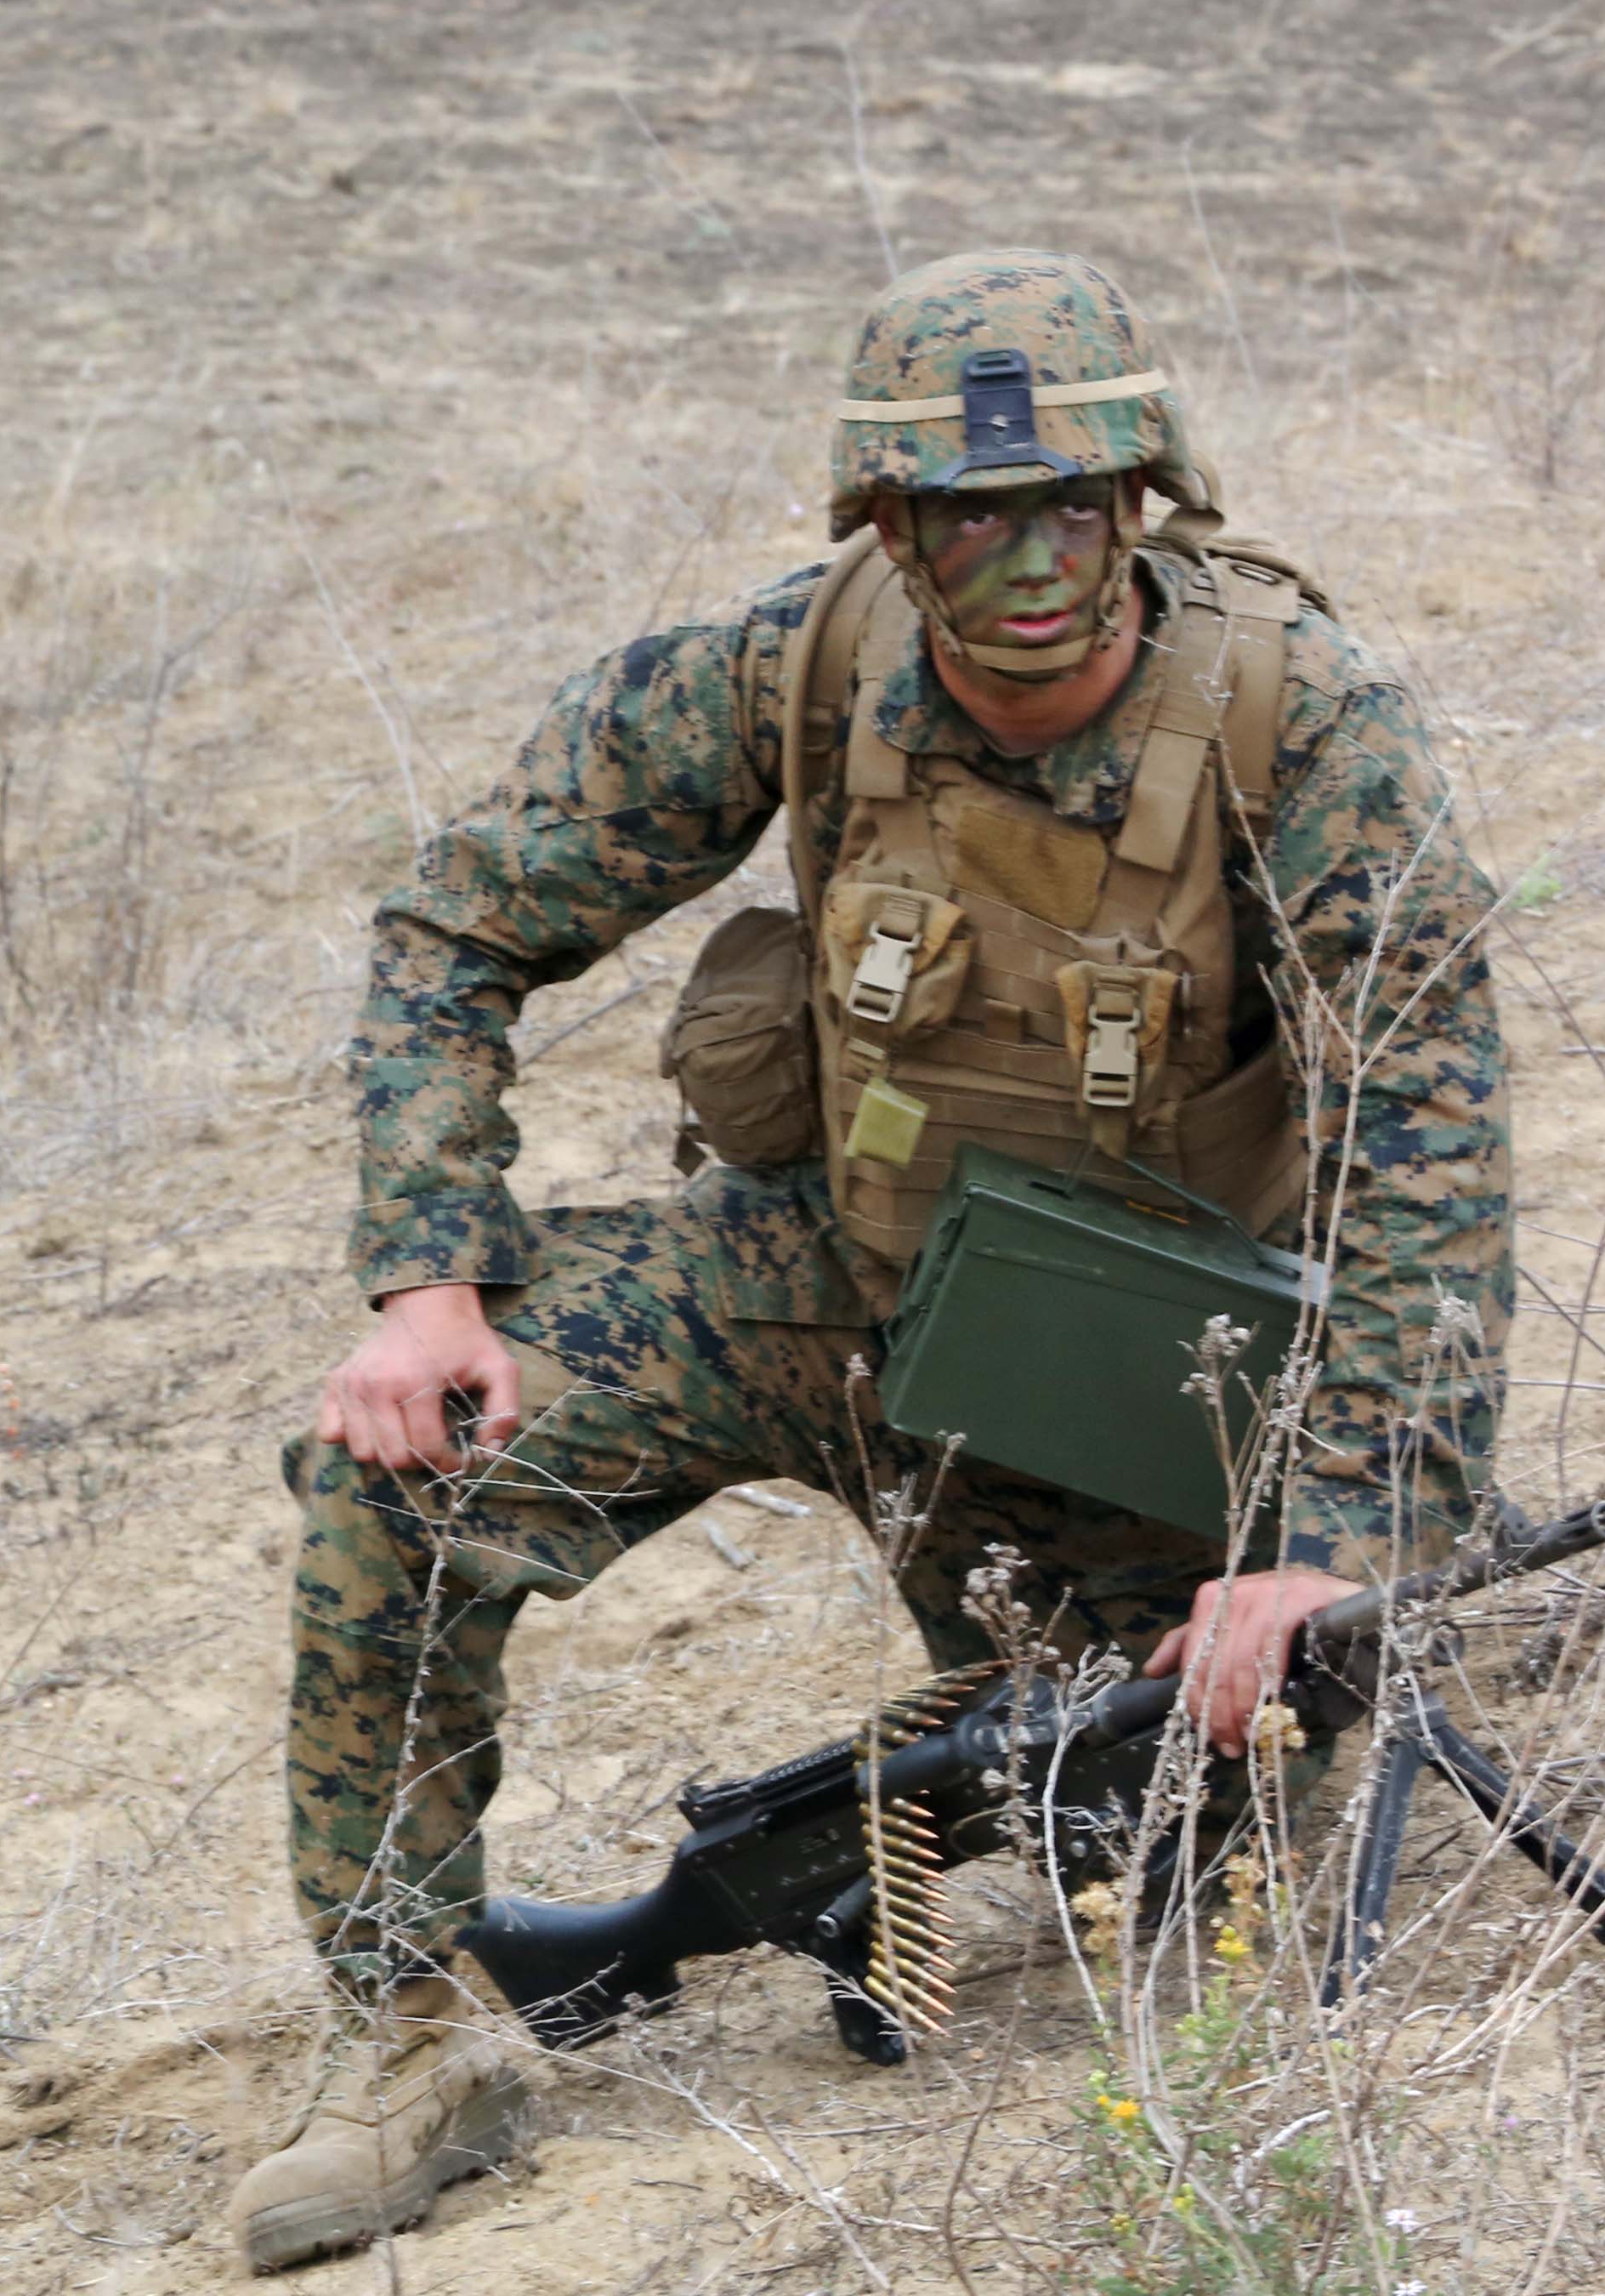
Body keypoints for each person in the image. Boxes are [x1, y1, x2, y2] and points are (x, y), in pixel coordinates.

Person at [238, 250, 1516, 2271]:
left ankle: (1037, 1724)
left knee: (1155, 1843)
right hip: (839, 1282)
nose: (1021, 563)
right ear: (888, 525)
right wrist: (424, 1281)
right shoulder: (801, 665)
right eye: (963, 513)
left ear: (1138, 500)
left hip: (1135, 1376)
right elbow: (449, 922)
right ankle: (408, 2037)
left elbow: (1423, 1159)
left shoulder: (1301, 721)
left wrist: (1332, 1527)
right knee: (396, 1470)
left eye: (1064, 505)